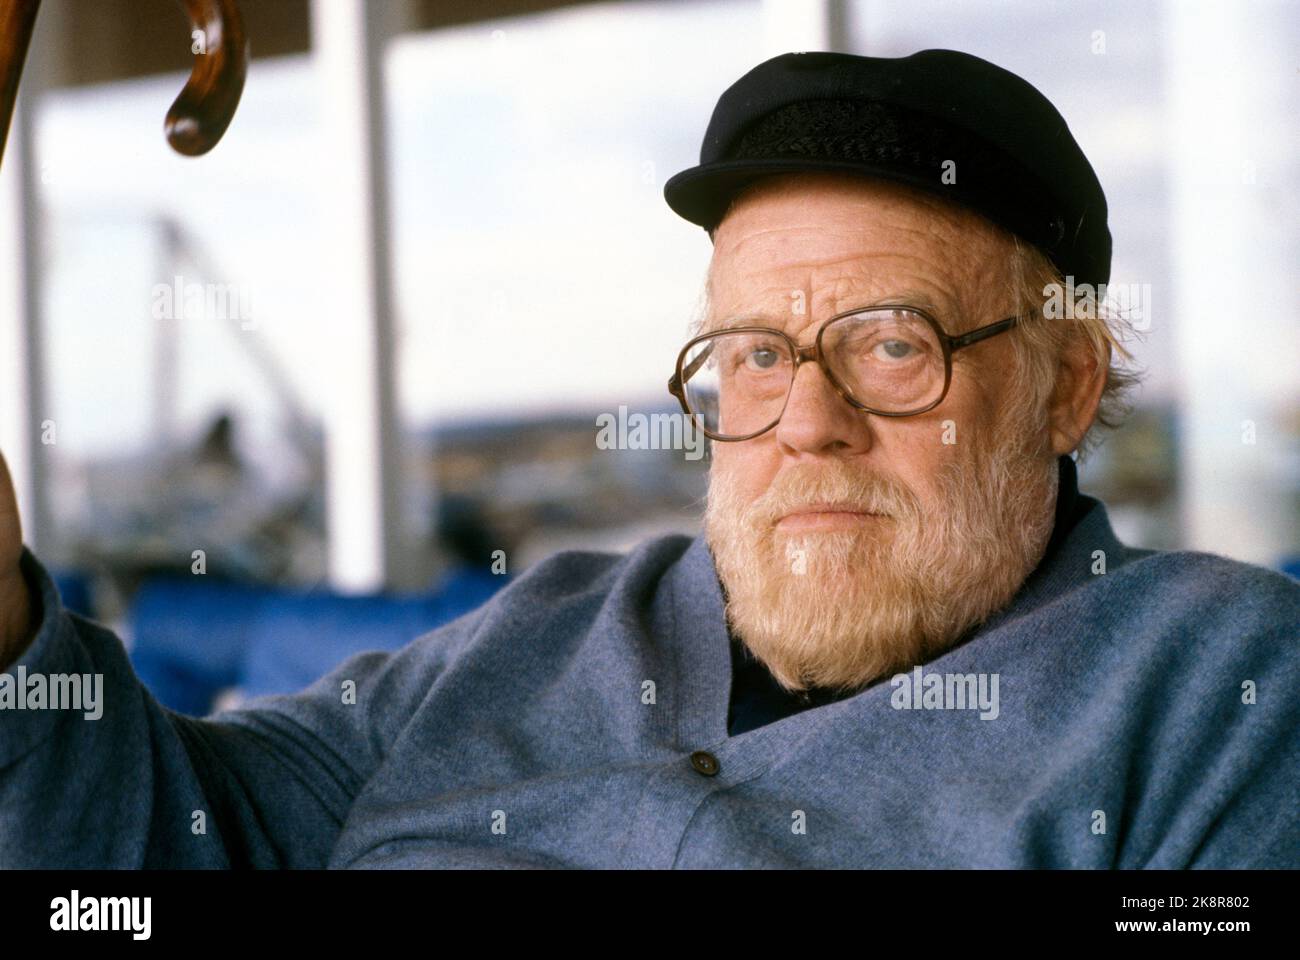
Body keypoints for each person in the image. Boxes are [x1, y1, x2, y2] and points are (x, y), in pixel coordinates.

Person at [0, 50, 1296, 869]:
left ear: (1066, 383)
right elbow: (158, 838)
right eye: (757, 355)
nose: (806, 420)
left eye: (893, 346)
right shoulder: (536, 636)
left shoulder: (1222, 693)